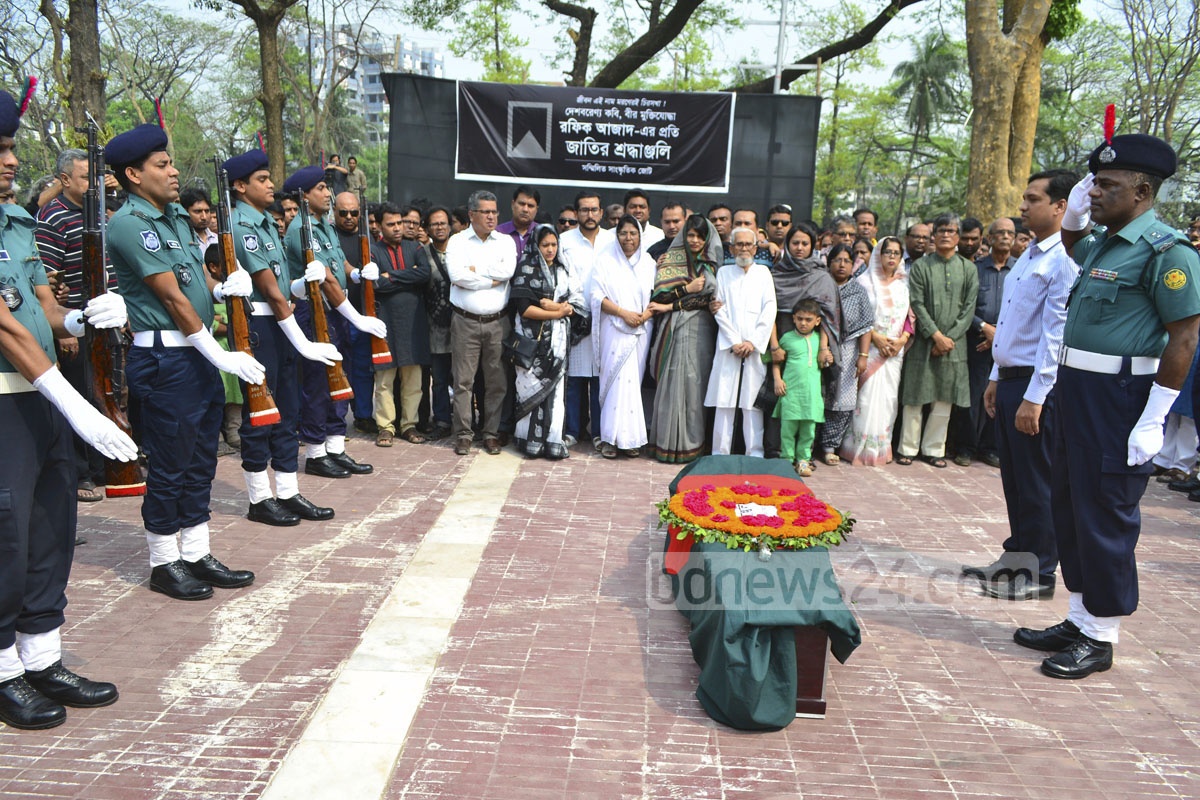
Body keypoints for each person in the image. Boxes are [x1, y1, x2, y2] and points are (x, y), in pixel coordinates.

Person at [1014, 136, 1200, 679]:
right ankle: (1079, 618)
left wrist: (1154, 416)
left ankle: (1102, 636)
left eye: (1106, 185)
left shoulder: (1169, 253)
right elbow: (1071, 242)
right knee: (1070, 506)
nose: (1093, 193)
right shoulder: (1104, 242)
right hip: (1078, 390)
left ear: (1142, 190)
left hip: (1122, 398)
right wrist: (1074, 211)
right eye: (1093, 184)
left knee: (1106, 514)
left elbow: (1184, 337)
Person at [0, 87, 131, 730]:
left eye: (11, 148)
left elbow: (42, 310)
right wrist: (77, 405)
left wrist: (82, 314)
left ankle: (42, 657)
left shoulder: (18, 223)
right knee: (6, 534)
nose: (11, 160)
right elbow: (4, 328)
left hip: (44, 394)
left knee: (52, 526)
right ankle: (2, 672)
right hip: (8, 400)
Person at [105, 123, 262, 601]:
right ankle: (163, 562)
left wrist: (223, 288)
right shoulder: (130, 223)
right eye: (162, 165)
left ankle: (195, 552)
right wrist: (219, 353)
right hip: (166, 356)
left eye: (170, 162)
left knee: (200, 460)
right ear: (133, 174)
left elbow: (194, 285)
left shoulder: (174, 217)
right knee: (171, 462)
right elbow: (172, 300)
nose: (173, 172)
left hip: (193, 354)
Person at [961, 169, 1079, 601]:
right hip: (1010, 379)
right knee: (1015, 479)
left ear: (1060, 206)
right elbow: (1011, 325)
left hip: (1036, 385)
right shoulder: (1029, 256)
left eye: (1033, 198)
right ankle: (1017, 559)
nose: (1024, 205)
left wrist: (1036, 396)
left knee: (1038, 481)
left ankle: (1041, 571)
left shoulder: (1063, 259)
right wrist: (995, 377)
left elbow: (1055, 335)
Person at [223, 149, 343, 526]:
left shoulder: (265, 224)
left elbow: (281, 287)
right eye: (261, 179)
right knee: (262, 413)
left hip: (280, 322)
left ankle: (288, 492)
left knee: (288, 409)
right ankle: (260, 497)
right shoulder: (242, 227)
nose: (271, 184)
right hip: (261, 326)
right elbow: (268, 293)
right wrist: (301, 340)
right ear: (240, 187)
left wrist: (299, 283)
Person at [282, 166, 384, 479]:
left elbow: (337, 262)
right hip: (316, 312)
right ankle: (315, 451)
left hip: (334, 311)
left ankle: (335, 447)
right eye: (321, 189)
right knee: (318, 383)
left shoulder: (322, 225)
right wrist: (356, 317)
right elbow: (325, 278)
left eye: (327, 188)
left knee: (340, 378)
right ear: (304, 195)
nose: (328, 194)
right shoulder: (301, 228)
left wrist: (355, 273)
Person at [35, 147, 120, 502]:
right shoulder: (51, 217)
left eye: (97, 177)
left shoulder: (103, 212)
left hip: (110, 321)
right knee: (82, 396)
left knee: (110, 394)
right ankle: (81, 473)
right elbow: (48, 279)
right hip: (74, 324)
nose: (94, 185)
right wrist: (66, 328)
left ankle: (105, 467)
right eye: (86, 177)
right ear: (65, 180)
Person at [897, 213, 978, 467]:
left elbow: (969, 309)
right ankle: (907, 448)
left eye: (951, 231)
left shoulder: (968, 268)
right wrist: (935, 336)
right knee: (915, 395)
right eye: (941, 230)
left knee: (944, 398)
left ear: (958, 237)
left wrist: (948, 339)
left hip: (954, 345)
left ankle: (934, 449)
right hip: (923, 342)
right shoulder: (921, 266)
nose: (945, 235)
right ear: (934, 235)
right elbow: (917, 304)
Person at [446, 189, 517, 456]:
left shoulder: (505, 242)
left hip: (498, 322)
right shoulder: (457, 241)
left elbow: (507, 271)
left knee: (496, 382)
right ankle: (463, 434)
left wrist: (474, 271)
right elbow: (456, 275)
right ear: (472, 214)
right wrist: (490, 278)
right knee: (463, 381)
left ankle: (490, 433)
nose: (491, 217)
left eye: (494, 212)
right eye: (485, 212)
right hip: (465, 322)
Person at [508, 225, 589, 459]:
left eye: (554, 245)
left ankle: (553, 441)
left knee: (555, 392)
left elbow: (578, 303)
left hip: (558, 342)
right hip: (531, 343)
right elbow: (526, 310)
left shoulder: (564, 269)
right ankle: (529, 442)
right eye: (545, 245)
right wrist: (559, 312)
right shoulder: (526, 269)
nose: (550, 250)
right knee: (529, 388)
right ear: (536, 246)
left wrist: (557, 307)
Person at [645, 214, 721, 463]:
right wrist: (685, 291)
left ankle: (692, 444)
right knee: (672, 381)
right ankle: (666, 443)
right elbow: (659, 298)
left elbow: (708, 300)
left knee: (694, 383)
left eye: (700, 236)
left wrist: (672, 306)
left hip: (702, 332)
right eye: (691, 235)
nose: (695, 240)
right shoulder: (672, 260)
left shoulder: (713, 264)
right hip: (674, 331)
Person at [763, 222, 840, 459]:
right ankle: (776, 450)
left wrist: (823, 348)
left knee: (809, 396)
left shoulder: (822, 277)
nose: (799, 247)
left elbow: (828, 317)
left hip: (813, 344)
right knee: (777, 392)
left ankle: (805, 455)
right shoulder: (776, 273)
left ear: (813, 246)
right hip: (781, 339)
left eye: (805, 243)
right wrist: (774, 346)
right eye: (794, 242)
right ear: (787, 244)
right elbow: (769, 312)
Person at [704, 226, 776, 457]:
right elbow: (719, 308)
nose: (744, 248)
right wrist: (735, 341)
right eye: (739, 244)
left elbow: (769, 309)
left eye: (748, 244)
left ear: (755, 248)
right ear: (732, 248)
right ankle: (719, 454)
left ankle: (755, 453)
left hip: (753, 349)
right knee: (724, 401)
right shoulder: (723, 273)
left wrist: (753, 342)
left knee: (752, 403)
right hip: (729, 347)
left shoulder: (764, 274)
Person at [840, 237, 911, 465]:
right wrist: (877, 338)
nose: (891, 257)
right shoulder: (864, 282)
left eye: (896, 253)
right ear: (878, 255)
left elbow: (911, 317)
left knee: (888, 400)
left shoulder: (903, 285)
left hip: (893, 354)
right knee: (866, 399)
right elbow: (856, 316)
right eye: (887, 252)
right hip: (868, 349)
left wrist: (902, 339)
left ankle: (881, 448)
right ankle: (858, 448)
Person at [589, 215, 655, 458]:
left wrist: (644, 315)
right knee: (614, 382)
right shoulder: (605, 261)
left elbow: (656, 296)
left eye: (633, 233)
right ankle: (609, 439)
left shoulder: (648, 263)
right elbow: (596, 297)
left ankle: (631, 440)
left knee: (631, 386)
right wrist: (623, 313)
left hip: (640, 330)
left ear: (640, 236)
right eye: (623, 233)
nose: (628, 238)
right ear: (616, 236)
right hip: (613, 329)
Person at [953, 217, 1016, 467]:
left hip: (1007, 344)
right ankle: (966, 447)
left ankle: (990, 447)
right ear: (988, 239)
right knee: (974, 396)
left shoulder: (1020, 269)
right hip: (977, 342)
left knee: (1000, 396)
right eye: (999, 232)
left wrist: (998, 336)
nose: (1004, 236)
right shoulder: (975, 269)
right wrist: (984, 328)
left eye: (1009, 232)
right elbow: (964, 306)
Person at [370, 202, 430, 446]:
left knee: (413, 379)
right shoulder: (372, 251)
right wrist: (409, 275)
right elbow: (375, 284)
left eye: (400, 223)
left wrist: (392, 276)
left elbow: (424, 274)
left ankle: (409, 425)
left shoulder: (414, 246)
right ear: (380, 226)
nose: (397, 228)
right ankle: (385, 426)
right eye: (391, 224)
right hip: (386, 322)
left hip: (413, 322)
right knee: (384, 379)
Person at [559, 191, 613, 449]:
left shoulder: (613, 240)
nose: (589, 215)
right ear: (577, 212)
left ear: (601, 213)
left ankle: (599, 432)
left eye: (594, 210)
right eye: (584, 210)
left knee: (600, 379)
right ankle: (571, 430)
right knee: (575, 377)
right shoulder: (564, 240)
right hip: (575, 317)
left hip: (607, 318)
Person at [818, 244, 874, 464]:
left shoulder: (858, 291)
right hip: (819, 346)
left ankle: (830, 446)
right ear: (829, 262)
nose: (842, 265)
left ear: (853, 265)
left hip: (849, 351)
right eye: (837, 260)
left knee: (843, 400)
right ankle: (810, 443)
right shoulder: (821, 286)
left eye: (847, 261)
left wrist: (863, 355)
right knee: (817, 395)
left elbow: (867, 326)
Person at [331, 191, 376, 434]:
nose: (349, 217)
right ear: (334, 212)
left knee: (361, 368)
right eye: (343, 213)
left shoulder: (367, 237)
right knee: (337, 369)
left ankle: (363, 414)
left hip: (361, 314)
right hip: (336, 315)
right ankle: (334, 419)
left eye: (354, 213)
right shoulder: (329, 236)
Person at [773, 299, 826, 476]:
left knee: (808, 430)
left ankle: (803, 460)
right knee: (787, 430)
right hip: (791, 393)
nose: (803, 323)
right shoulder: (787, 338)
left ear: (817, 321)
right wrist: (777, 380)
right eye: (800, 319)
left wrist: (828, 359)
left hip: (811, 395)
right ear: (794, 318)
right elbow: (775, 361)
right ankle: (787, 461)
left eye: (808, 320)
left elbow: (825, 363)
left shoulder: (820, 341)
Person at [419, 206, 454, 439]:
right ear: (428, 228)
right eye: (434, 224)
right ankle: (442, 419)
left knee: (463, 379)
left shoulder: (462, 250)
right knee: (439, 378)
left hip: (461, 325)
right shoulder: (421, 253)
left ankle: (465, 420)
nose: (439, 227)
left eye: (443, 223)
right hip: (434, 326)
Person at [496, 185, 540, 255]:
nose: (525, 209)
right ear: (513, 204)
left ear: (536, 209)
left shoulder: (542, 233)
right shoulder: (498, 233)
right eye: (522, 204)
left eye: (530, 206)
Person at [179, 186, 218, 254]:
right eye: (198, 211)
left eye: (207, 211)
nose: (204, 217)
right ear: (185, 211)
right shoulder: (182, 240)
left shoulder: (218, 239)